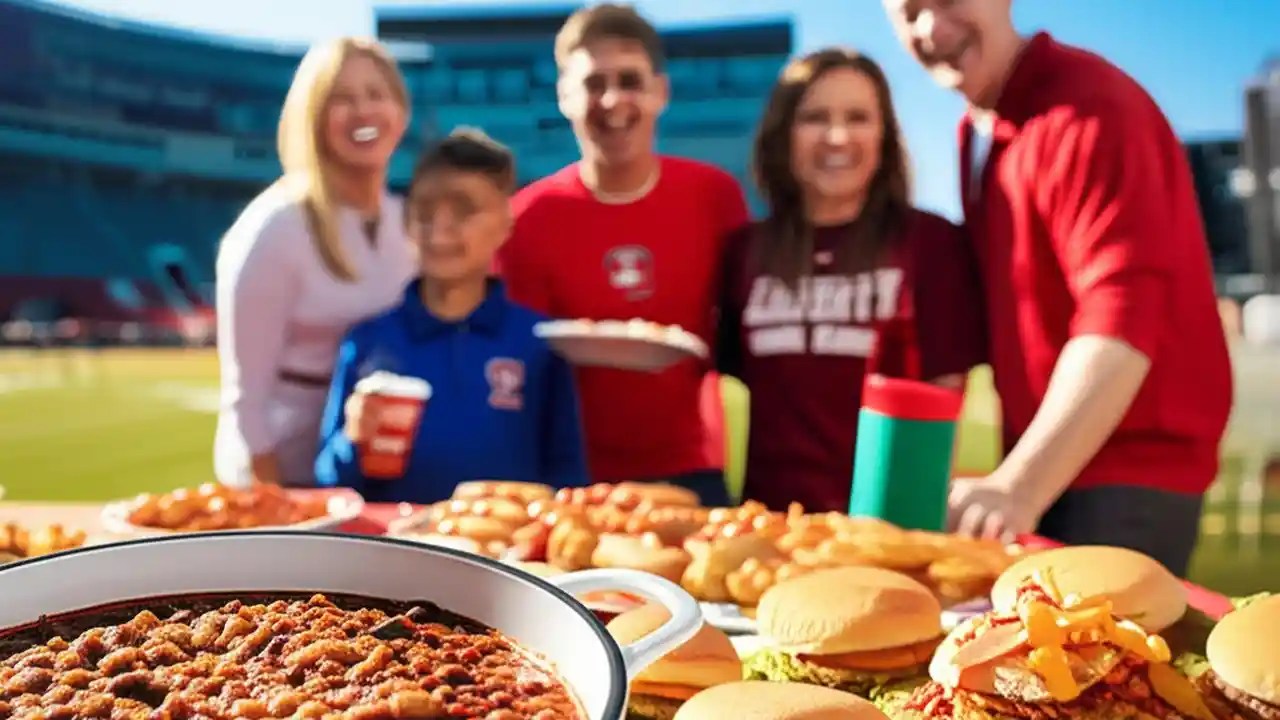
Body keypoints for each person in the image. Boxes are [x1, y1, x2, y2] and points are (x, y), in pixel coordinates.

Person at [882, 0, 1233, 574]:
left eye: (946, 1)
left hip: (1125, 479)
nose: (930, 28)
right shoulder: (976, 130)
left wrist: (1020, 484)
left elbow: (1120, 315)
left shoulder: (1091, 106)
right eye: (908, 11)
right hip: (1044, 467)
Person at [497, 4, 750, 505]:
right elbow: (523, 356)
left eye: (630, 80)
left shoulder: (714, 197)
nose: (613, 100)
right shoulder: (527, 217)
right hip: (569, 476)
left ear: (661, 92)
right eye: (594, 84)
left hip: (693, 467)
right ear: (565, 97)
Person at [717, 48, 985, 513]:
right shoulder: (744, 251)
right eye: (815, 117)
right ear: (784, 135)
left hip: (890, 528)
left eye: (858, 117)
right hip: (770, 526)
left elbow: (947, 394)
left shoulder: (931, 243)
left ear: (884, 135)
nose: (837, 136)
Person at [314, 130, 589, 503]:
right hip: (397, 550)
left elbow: (568, 479)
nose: (440, 227)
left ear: (505, 223)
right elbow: (330, 481)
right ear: (407, 221)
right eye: (425, 210)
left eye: (464, 210)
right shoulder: (369, 341)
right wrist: (353, 440)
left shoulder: (541, 344)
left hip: (500, 550)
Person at [214, 38, 416, 488]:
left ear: (400, 112)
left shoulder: (405, 220)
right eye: (341, 99)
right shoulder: (275, 227)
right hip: (284, 468)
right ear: (314, 116)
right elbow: (246, 400)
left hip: (370, 465)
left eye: (376, 94)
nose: (364, 111)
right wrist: (273, 506)